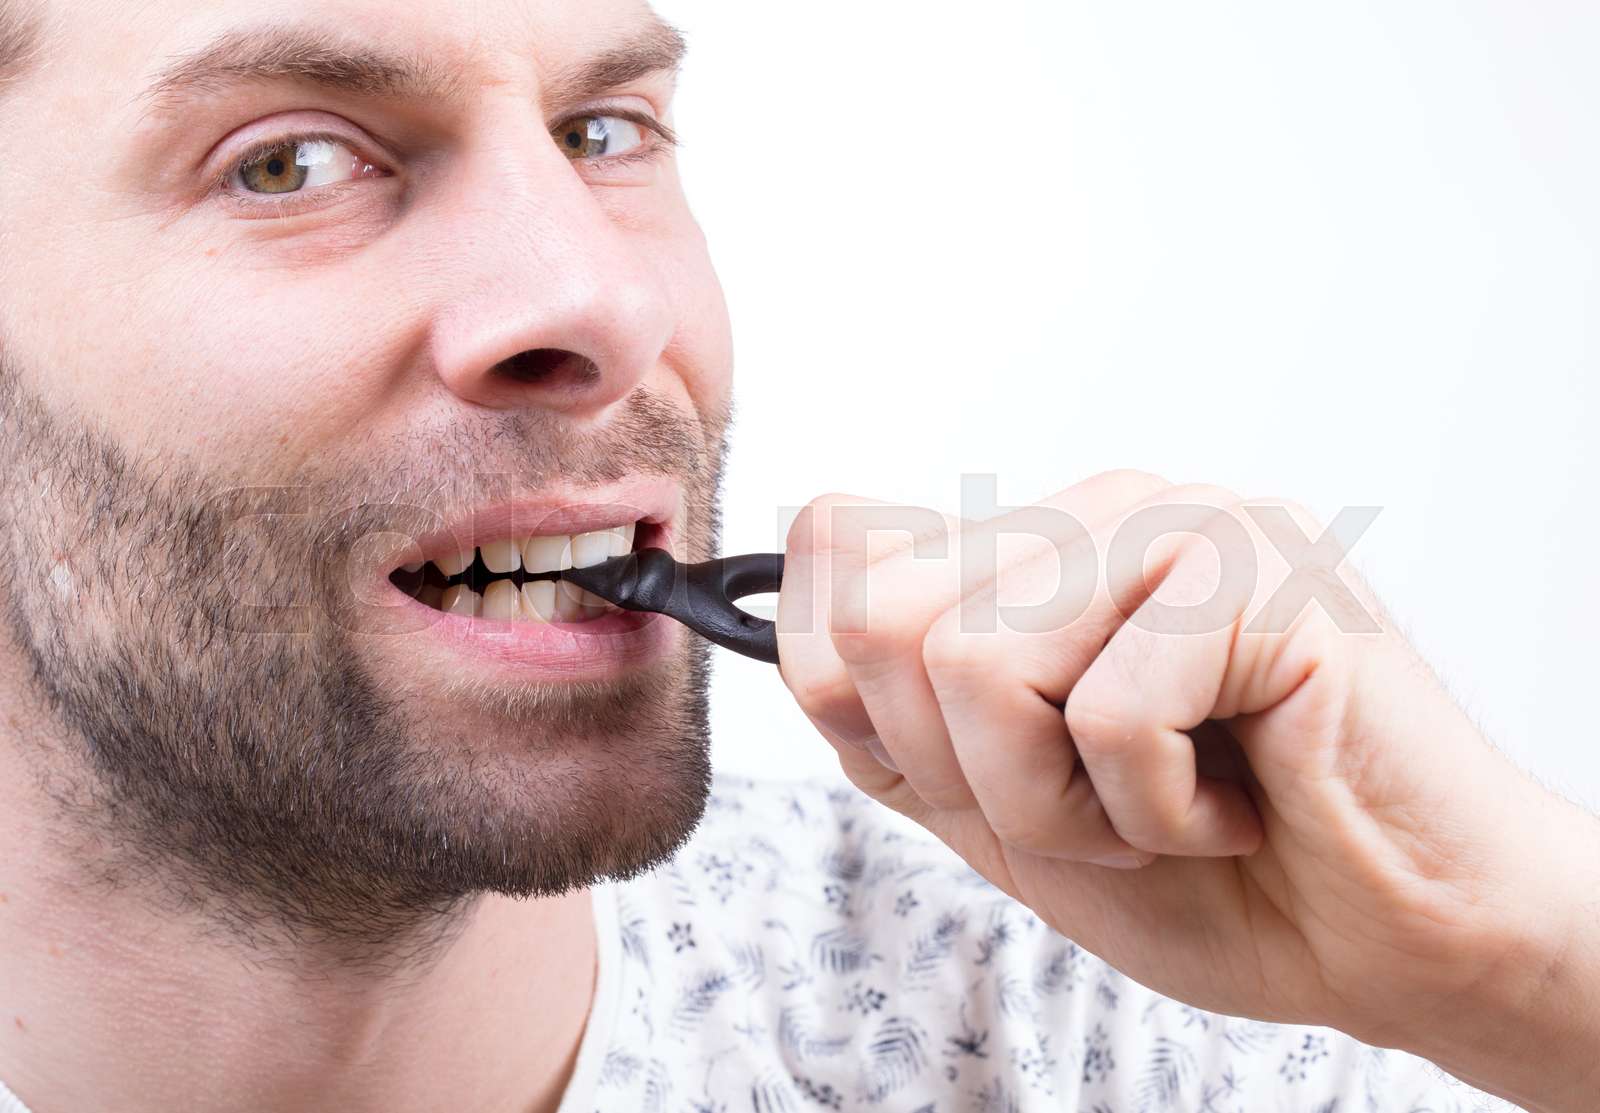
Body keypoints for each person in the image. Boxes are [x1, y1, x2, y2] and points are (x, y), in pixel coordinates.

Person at [0, 1, 1590, 1109]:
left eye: (603, 129)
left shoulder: (1119, 1025)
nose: (603, 305)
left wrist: (1515, 958)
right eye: (289, 160)